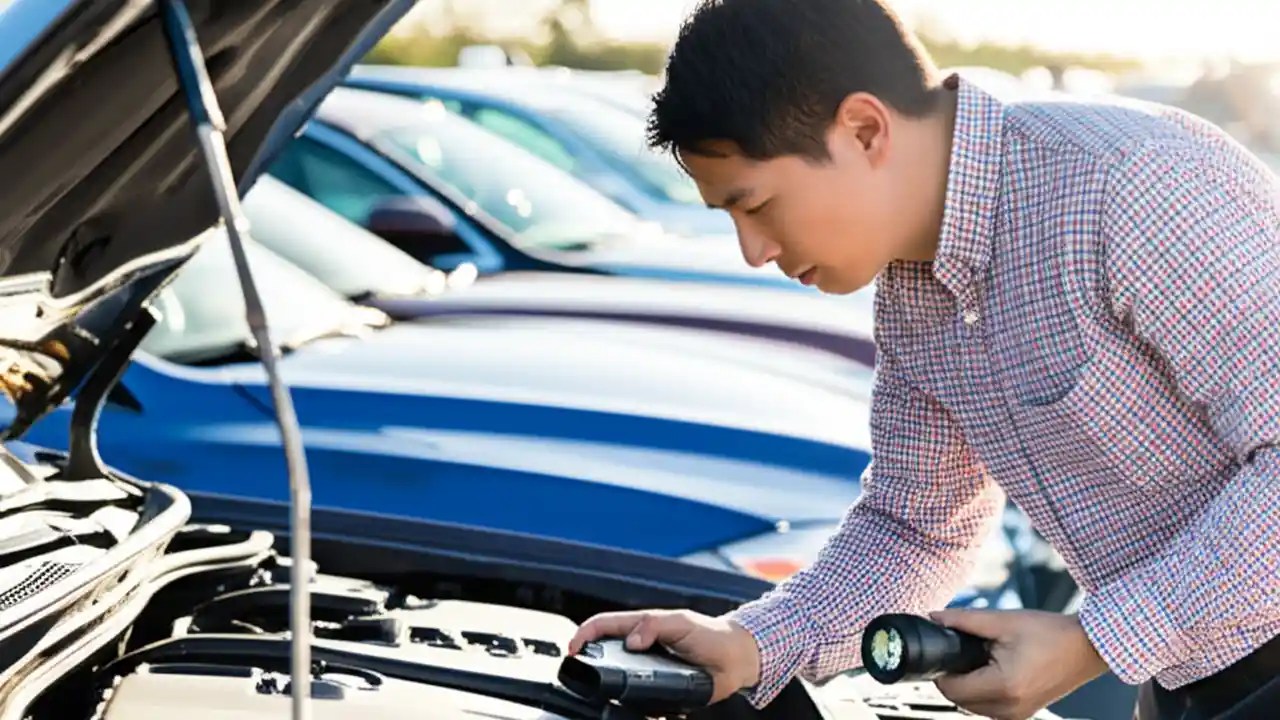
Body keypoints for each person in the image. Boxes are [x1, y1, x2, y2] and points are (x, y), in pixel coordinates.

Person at [566, 1, 1280, 719]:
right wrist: (748, 642)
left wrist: (1096, 640)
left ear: (865, 129)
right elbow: (917, 529)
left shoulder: (1133, 184)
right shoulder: (914, 298)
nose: (755, 252)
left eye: (756, 205)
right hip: (1188, 683)